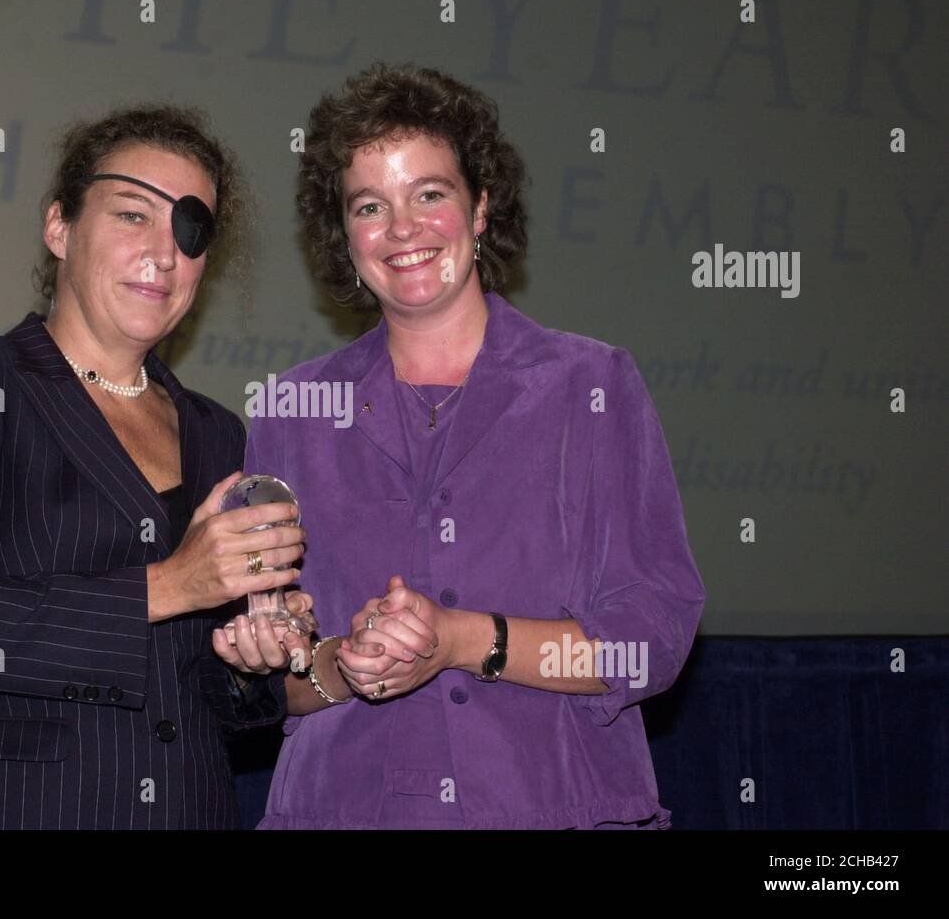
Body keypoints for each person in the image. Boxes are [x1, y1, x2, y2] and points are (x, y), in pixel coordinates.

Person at [246, 63, 707, 829]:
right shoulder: (290, 409)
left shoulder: (590, 384)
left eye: (430, 193)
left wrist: (468, 641)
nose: (402, 228)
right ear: (344, 237)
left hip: (549, 809)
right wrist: (335, 662)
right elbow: (265, 680)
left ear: (482, 207)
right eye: (370, 206)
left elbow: (649, 642)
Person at [0, 104, 311, 830]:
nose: (164, 253)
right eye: (133, 214)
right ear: (59, 226)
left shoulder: (216, 432)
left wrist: (250, 659)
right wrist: (169, 585)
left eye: (190, 230)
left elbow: (212, 700)